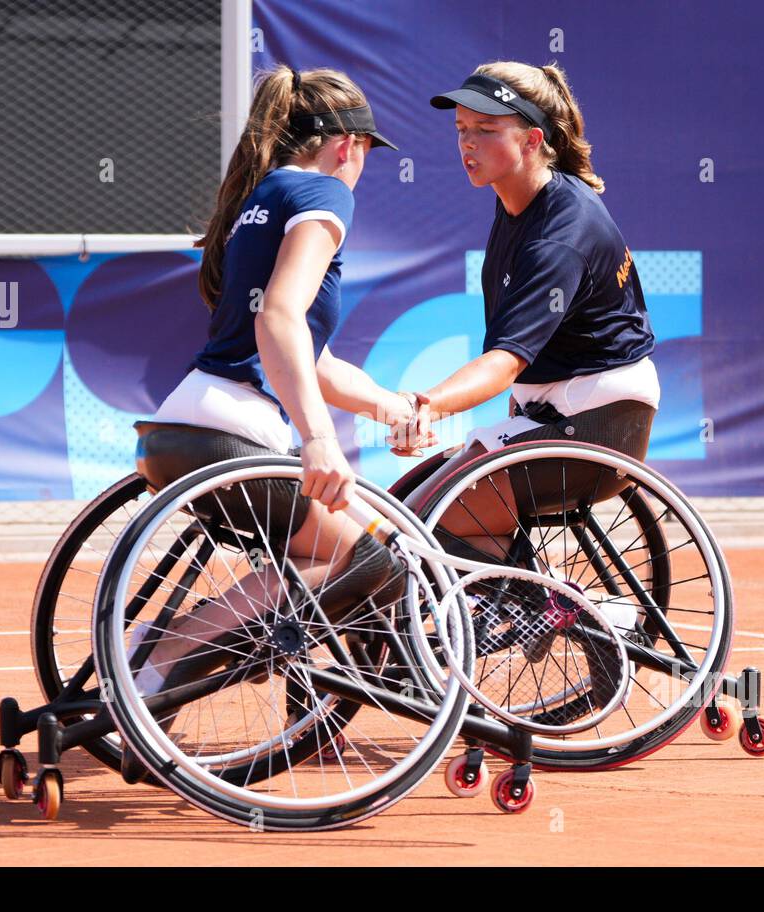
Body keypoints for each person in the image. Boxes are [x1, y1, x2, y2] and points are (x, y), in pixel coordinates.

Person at [125, 65, 419, 709]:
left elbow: (304, 357)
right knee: (372, 563)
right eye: (367, 152)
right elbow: (279, 318)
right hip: (234, 434)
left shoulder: (263, 197)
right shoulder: (326, 194)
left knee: (341, 548)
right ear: (348, 145)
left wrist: (390, 407)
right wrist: (318, 440)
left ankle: (153, 644)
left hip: (185, 427)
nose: (364, 165)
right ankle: (164, 659)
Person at [395, 61, 660, 563]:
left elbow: (503, 363)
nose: (467, 143)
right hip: (553, 411)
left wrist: (425, 404)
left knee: (426, 519)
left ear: (532, 140)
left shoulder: (558, 237)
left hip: (598, 419)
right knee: (407, 508)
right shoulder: (517, 196)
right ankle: (511, 607)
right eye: (461, 130)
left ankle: (589, 621)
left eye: (486, 130)